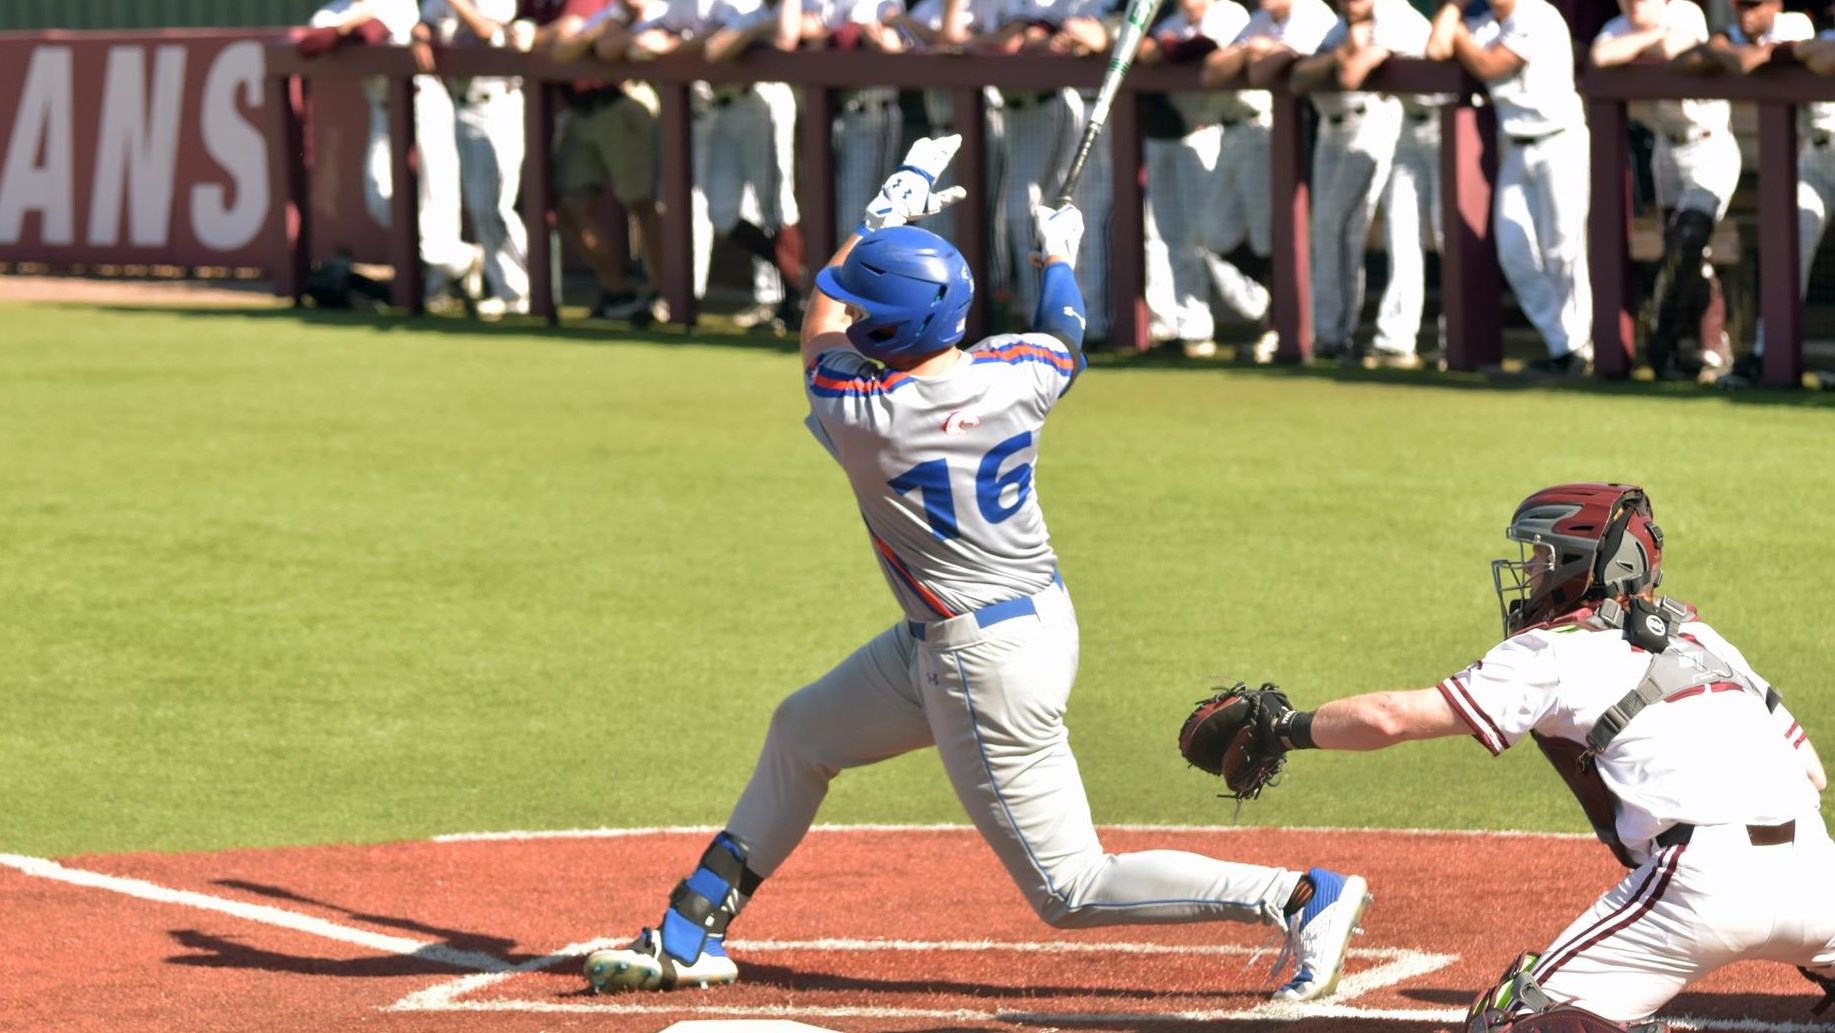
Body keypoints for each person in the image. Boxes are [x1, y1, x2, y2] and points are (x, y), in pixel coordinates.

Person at [579, 136, 1372, 1004]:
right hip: (1015, 621)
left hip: (977, 664)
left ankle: (1298, 895)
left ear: (888, 329)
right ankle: (695, 925)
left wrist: (886, 210)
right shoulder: (1017, 371)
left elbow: (819, 318)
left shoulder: (867, 413)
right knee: (803, 731)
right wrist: (1059, 257)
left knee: (1068, 887)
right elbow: (1062, 329)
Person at [1224, 482, 1834, 1027]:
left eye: (1544, 557)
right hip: (1816, 874)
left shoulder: (1551, 651)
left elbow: (1393, 718)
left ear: (1583, 566)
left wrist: (1287, 727)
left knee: (1518, 1018)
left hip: (1702, 888)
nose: (1534, 572)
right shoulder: (1704, 637)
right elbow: (1813, 773)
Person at [1427, 0, 1593, 377]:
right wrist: (1453, 8)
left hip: (1558, 140)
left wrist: (1459, 36)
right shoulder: (1483, 22)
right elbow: (1436, 50)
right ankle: (1563, 345)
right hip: (1516, 147)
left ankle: (1578, 345)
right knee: (1513, 250)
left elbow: (1489, 65)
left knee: (1562, 248)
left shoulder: (1537, 13)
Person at [302, 0, 484, 307]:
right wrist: (346, 24)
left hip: (423, 102)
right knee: (379, 195)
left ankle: (437, 285)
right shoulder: (336, 10)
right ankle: (462, 262)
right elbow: (309, 45)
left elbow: (375, 32)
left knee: (436, 204)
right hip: (383, 109)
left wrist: (353, 27)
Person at [1601, 0, 1738, 382]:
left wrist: (1640, 42)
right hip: (1667, 150)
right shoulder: (1618, 25)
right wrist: (1645, 37)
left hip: (1708, 144)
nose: (1632, 5)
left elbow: (1672, 47)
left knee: (1687, 241)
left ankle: (1670, 341)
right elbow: (1601, 55)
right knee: (1685, 252)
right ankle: (1700, 349)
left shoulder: (1685, 12)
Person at [1687, 0, 1818, 387]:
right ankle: (1767, 353)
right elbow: (1685, 63)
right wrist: (1721, 44)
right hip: (1815, 153)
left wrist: (1722, 47)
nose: (1745, 10)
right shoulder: (1748, 32)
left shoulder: (1793, 23)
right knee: (1788, 248)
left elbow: (1747, 64)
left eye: (1753, 3)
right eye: (1739, 3)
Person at [1200, 0, 1337, 360]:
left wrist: (1252, 56)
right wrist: (1250, 50)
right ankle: (1275, 306)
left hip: (1273, 132)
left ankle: (1281, 327)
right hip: (1232, 133)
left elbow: (1264, 75)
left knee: (1272, 237)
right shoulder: (1259, 20)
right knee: (1212, 231)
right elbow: (1212, 71)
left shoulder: (1313, 14)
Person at [1135, 0, 1265, 359]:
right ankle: (1192, 326)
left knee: (1209, 235)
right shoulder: (1172, 19)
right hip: (1170, 134)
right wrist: (1166, 48)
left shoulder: (1231, 14)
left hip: (1207, 133)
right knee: (1174, 236)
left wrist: (1170, 49)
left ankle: (1260, 305)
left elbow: (1205, 52)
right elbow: (1143, 50)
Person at [1290, 0, 1416, 365]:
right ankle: (1329, 332)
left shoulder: (1392, 15)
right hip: (1332, 130)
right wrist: (1342, 51)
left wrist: (1339, 59)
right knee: (1329, 228)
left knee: (1340, 226)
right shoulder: (1341, 28)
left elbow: (1350, 76)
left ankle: (1336, 332)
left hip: (1375, 123)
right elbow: (1300, 78)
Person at [543, 0, 668, 323]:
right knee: (568, 207)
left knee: (642, 203)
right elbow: (554, 44)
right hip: (579, 109)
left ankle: (664, 292)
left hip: (618, 101)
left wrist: (581, 34)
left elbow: (570, 45)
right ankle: (618, 290)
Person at [420, 0, 533, 320]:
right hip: (459, 102)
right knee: (480, 204)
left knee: (497, 204)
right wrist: (419, 35)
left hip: (497, 100)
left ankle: (519, 291)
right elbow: (426, 21)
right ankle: (505, 290)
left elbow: (487, 30)